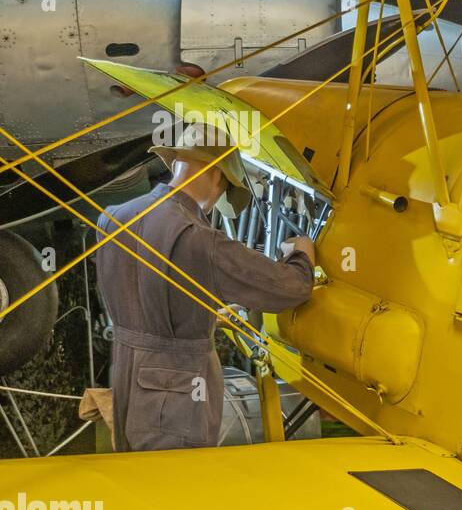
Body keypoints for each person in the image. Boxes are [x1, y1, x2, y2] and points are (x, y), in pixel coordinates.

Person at [96, 130, 316, 451]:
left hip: (126, 377)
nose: (218, 197)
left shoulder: (114, 217)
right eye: (224, 186)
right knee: (179, 490)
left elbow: (147, 297)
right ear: (216, 174)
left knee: (138, 486)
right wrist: (301, 252)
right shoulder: (198, 239)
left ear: (177, 162)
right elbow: (290, 288)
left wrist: (203, 315)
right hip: (174, 395)